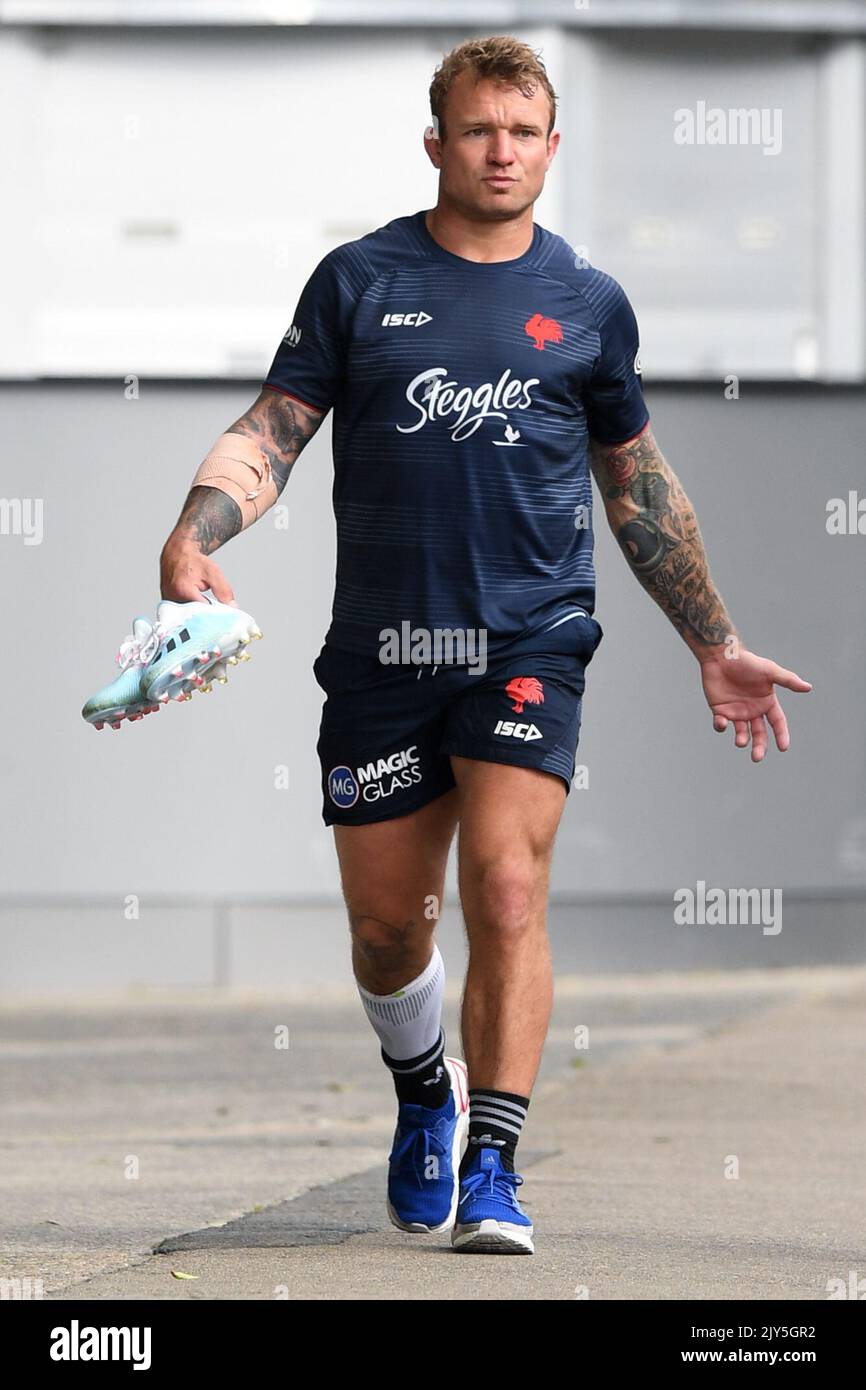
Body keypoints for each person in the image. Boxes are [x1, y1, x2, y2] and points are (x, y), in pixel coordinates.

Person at [159, 34, 812, 1255]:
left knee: (507, 888)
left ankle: (495, 1159)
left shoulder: (584, 304)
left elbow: (639, 487)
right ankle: (421, 1092)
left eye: (522, 131)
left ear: (551, 148)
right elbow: (273, 431)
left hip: (530, 635)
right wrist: (194, 533)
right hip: (381, 650)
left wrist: (710, 639)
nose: (500, 150)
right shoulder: (357, 281)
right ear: (436, 144)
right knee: (386, 928)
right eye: (477, 130)